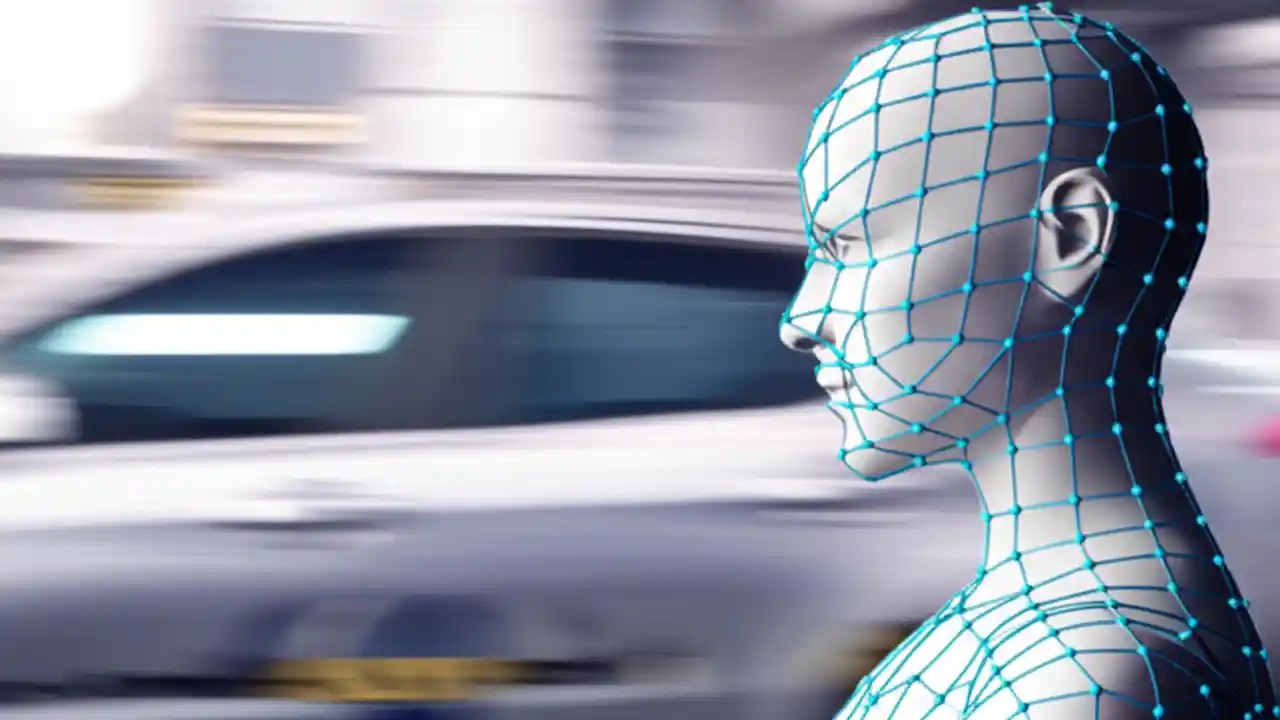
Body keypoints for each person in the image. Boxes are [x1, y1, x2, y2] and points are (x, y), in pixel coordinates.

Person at [778, 4, 1278, 718]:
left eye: (849, 246)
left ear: (1069, 238)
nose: (800, 321)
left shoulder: (1088, 681)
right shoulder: (1030, 632)